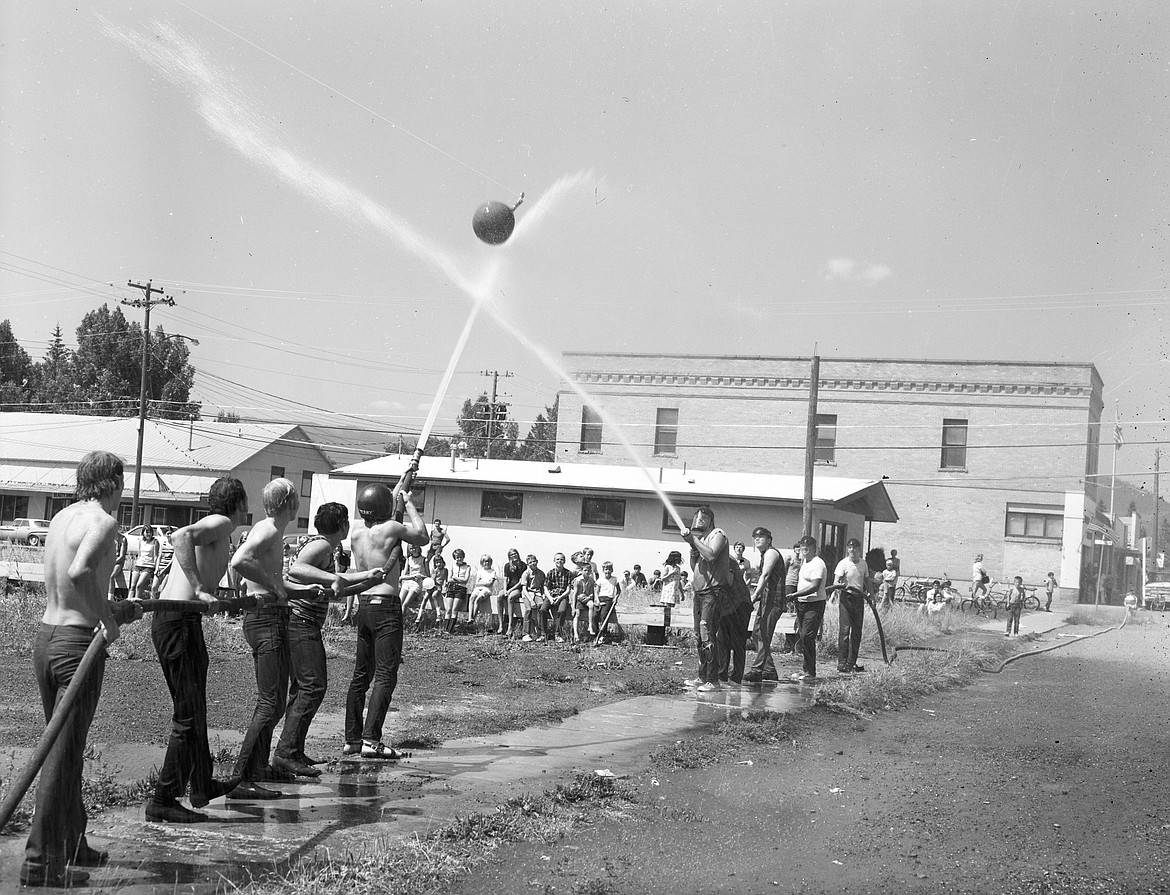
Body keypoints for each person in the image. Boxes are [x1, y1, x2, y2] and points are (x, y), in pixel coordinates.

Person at [21, 451, 141, 888]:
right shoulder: (103, 521)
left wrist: (110, 607)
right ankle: (40, 862)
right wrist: (108, 621)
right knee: (62, 753)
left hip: (47, 638)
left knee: (64, 746)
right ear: (115, 483)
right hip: (77, 647)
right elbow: (80, 570)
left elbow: (70, 577)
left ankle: (73, 842)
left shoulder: (60, 517)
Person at [146, 476, 250, 824]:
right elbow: (180, 536)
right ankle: (163, 800)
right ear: (239, 504)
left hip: (183, 621)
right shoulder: (221, 523)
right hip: (177, 620)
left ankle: (202, 784)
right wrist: (198, 588)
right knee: (188, 715)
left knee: (196, 709)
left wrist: (210, 594)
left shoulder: (220, 529)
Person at [274, 502, 386, 780]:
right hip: (300, 623)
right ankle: (286, 753)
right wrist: (337, 578)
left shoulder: (324, 546)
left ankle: (294, 750)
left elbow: (336, 583)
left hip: (303, 624)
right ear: (342, 524)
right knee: (313, 686)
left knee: (303, 688)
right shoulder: (322, 545)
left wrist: (366, 579)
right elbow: (297, 570)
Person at [228, 478, 322, 800]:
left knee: (276, 702)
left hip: (272, 617)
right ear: (289, 504)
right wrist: (274, 585)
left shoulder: (271, 531)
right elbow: (239, 561)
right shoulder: (268, 530)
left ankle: (257, 768)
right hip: (265, 619)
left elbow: (275, 581)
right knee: (269, 703)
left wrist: (302, 590)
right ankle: (241, 779)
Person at [344, 476, 428, 759]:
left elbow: (382, 506)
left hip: (364, 605)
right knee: (385, 675)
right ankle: (371, 740)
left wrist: (404, 479)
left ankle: (352, 739)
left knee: (360, 675)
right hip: (387, 606)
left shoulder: (357, 531)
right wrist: (409, 503)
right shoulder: (392, 528)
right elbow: (422, 536)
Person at [681, 505, 729, 692]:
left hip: (713, 591)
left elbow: (711, 555)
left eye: (702, 518)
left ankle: (713, 680)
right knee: (698, 635)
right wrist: (693, 549)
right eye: (696, 519)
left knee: (707, 632)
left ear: (710, 520)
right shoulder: (699, 540)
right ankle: (702, 676)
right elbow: (695, 567)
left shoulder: (718, 534)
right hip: (699, 592)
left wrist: (693, 541)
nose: (698, 522)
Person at [743, 527, 786, 684]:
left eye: (761, 536)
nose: (757, 538)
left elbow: (766, 575)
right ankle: (769, 670)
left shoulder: (771, 553)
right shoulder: (764, 554)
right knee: (757, 633)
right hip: (766, 600)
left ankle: (757, 670)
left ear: (769, 539)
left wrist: (754, 595)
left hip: (774, 601)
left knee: (763, 634)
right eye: (755, 536)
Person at [790, 535, 827, 683]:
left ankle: (811, 672)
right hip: (802, 603)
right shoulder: (804, 562)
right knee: (803, 636)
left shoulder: (818, 563)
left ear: (814, 549)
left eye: (807, 548)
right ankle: (806, 669)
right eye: (802, 548)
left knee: (807, 636)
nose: (804, 551)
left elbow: (815, 586)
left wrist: (795, 594)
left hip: (814, 604)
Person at [833, 538, 869, 674]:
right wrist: (841, 585)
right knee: (845, 630)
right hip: (846, 597)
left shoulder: (863, 564)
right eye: (849, 548)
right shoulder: (843, 564)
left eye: (854, 548)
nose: (852, 550)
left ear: (859, 549)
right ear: (847, 549)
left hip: (858, 598)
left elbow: (867, 581)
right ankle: (842, 663)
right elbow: (835, 581)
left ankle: (851, 662)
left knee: (857, 631)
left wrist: (872, 597)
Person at [544, 552, 576, 642]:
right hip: (551, 596)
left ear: (564, 561)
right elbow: (545, 587)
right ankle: (544, 633)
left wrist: (559, 598)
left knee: (562, 611)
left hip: (562, 596)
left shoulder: (568, 573)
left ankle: (558, 634)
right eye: (557, 559)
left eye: (561, 559)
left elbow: (568, 590)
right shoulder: (550, 573)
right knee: (542, 610)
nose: (559, 561)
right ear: (554, 560)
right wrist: (550, 598)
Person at [519, 554, 549, 641]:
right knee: (528, 610)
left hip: (537, 593)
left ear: (537, 561)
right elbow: (524, 589)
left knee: (541, 607)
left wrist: (543, 595)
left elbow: (543, 587)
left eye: (534, 561)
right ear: (528, 564)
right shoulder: (526, 574)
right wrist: (531, 600)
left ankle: (540, 633)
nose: (533, 564)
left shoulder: (541, 573)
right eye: (530, 562)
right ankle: (526, 633)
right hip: (527, 594)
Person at [468, 554, 502, 629]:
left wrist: (482, 582)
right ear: (482, 563)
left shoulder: (493, 572)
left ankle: (473, 618)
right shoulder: (480, 572)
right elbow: (476, 583)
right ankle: (470, 617)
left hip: (487, 590)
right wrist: (486, 582)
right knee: (472, 598)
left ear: (491, 562)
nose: (486, 563)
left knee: (478, 599)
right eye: (485, 561)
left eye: (488, 561)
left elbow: (490, 584)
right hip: (478, 588)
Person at [397, 544, 429, 623]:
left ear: (418, 548)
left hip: (417, 584)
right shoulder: (409, 559)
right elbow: (403, 576)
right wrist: (411, 577)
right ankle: (398, 621)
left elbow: (428, 576)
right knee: (399, 603)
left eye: (414, 547)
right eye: (411, 548)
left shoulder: (424, 560)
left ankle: (401, 623)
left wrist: (421, 576)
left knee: (405, 604)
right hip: (408, 582)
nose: (413, 550)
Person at [444, 548, 472, 633]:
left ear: (463, 557)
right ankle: (445, 630)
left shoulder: (467, 567)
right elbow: (449, 579)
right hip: (451, 588)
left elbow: (465, 580)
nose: (459, 559)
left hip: (460, 589)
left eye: (460, 557)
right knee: (448, 609)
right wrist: (459, 580)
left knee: (454, 609)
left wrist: (455, 578)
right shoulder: (452, 566)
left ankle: (450, 630)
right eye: (457, 557)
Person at [499, 548, 526, 637]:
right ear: (509, 556)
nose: (514, 555)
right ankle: (501, 624)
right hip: (509, 587)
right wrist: (505, 590)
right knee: (499, 596)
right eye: (511, 554)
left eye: (515, 553)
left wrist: (510, 591)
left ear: (518, 554)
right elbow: (505, 580)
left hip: (518, 588)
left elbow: (521, 581)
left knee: (510, 597)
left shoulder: (523, 565)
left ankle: (510, 626)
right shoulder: (507, 566)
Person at [593, 561, 622, 640]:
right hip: (600, 598)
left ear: (612, 570)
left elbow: (618, 591)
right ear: (603, 570)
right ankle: (596, 632)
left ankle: (603, 634)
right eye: (606, 569)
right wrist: (597, 600)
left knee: (604, 616)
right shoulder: (600, 580)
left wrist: (616, 598)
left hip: (608, 599)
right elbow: (596, 591)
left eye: (609, 569)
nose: (607, 571)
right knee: (594, 616)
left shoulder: (614, 579)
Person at [129, 526, 158, 600]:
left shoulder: (155, 542)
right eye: (147, 532)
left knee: (139, 585)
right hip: (139, 565)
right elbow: (139, 554)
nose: (148, 534)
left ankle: (136, 602)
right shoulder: (141, 541)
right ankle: (128, 601)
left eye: (150, 532)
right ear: (143, 533)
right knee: (132, 586)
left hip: (148, 566)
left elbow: (156, 556)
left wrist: (156, 569)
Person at [570, 563, 596, 643]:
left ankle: (590, 626)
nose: (587, 572)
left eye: (588, 570)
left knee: (591, 605)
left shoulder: (591, 580)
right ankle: (576, 634)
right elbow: (574, 594)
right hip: (578, 599)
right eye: (585, 570)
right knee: (577, 614)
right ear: (581, 571)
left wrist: (589, 597)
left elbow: (592, 593)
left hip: (586, 598)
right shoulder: (578, 580)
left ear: (590, 571)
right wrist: (573, 607)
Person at [109, 529, 128, 600]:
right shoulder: (109, 538)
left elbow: (122, 556)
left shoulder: (123, 539)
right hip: (109, 561)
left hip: (118, 562)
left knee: (111, 576)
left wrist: (113, 562)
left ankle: (110, 598)